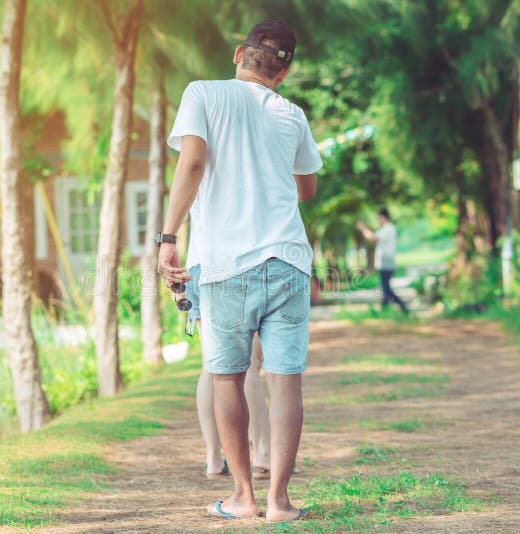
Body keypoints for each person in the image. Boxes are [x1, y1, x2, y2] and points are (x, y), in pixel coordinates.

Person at [158, 19, 321, 522]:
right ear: (284, 70)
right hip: (289, 261)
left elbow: (191, 164)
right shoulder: (292, 114)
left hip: (227, 262)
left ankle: (243, 497)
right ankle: (280, 503)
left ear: (238, 54)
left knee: (227, 376)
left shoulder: (203, 93)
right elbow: (307, 189)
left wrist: (167, 239)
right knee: (285, 380)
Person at [184, 200, 271, 479]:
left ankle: (213, 458)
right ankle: (262, 454)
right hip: (235, 264)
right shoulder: (241, 162)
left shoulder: (191, 161)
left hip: (196, 265)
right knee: (249, 364)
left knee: (212, 365)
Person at [357, 208, 409, 314]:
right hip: (385, 261)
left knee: (386, 288)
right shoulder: (386, 228)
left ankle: (402, 307)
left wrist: (362, 228)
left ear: (383, 217)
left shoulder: (388, 229)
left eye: (379, 218)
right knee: (385, 287)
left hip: (386, 261)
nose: (378, 220)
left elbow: (372, 238)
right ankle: (387, 309)